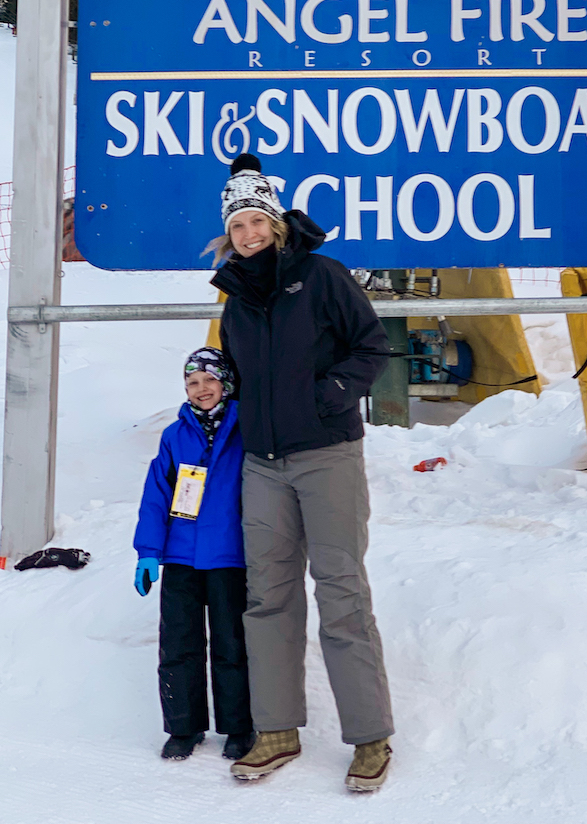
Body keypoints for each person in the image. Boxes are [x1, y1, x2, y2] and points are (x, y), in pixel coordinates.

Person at [208, 153, 395, 793]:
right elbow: (239, 371)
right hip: (262, 464)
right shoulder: (234, 296)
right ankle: (277, 729)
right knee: (268, 596)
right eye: (239, 226)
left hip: (326, 455)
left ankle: (370, 737)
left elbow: (370, 344)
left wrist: (331, 393)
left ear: (277, 224)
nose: (250, 234)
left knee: (341, 588)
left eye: (258, 221)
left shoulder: (322, 277)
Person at [133, 347, 254, 762]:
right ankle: (184, 727)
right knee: (179, 643)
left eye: (208, 380)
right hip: (182, 558)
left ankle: (238, 726)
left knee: (231, 643)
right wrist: (148, 552)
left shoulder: (246, 428)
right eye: (192, 383)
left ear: (226, 383)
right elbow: (156, 496)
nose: (201, 389)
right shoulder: (175, 435)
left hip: (230, 558)